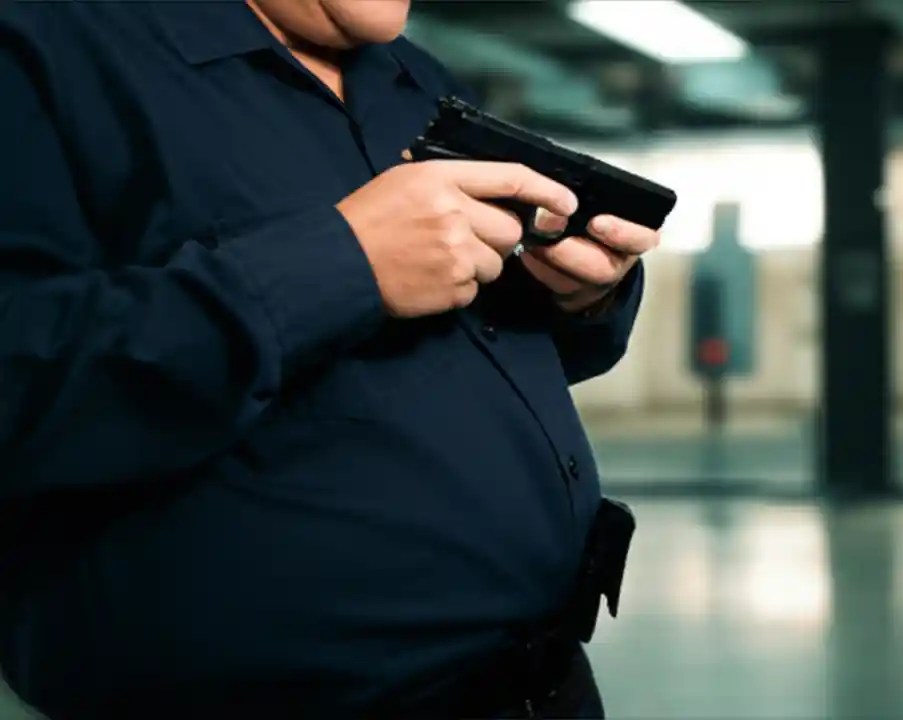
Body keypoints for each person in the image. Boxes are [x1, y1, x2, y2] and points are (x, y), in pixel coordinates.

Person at [0, 1, 660, 717]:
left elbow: (489, 346)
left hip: (538, 685)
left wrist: (578, 295)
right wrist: (343, 265)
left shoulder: (414, 77)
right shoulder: (39, 53)